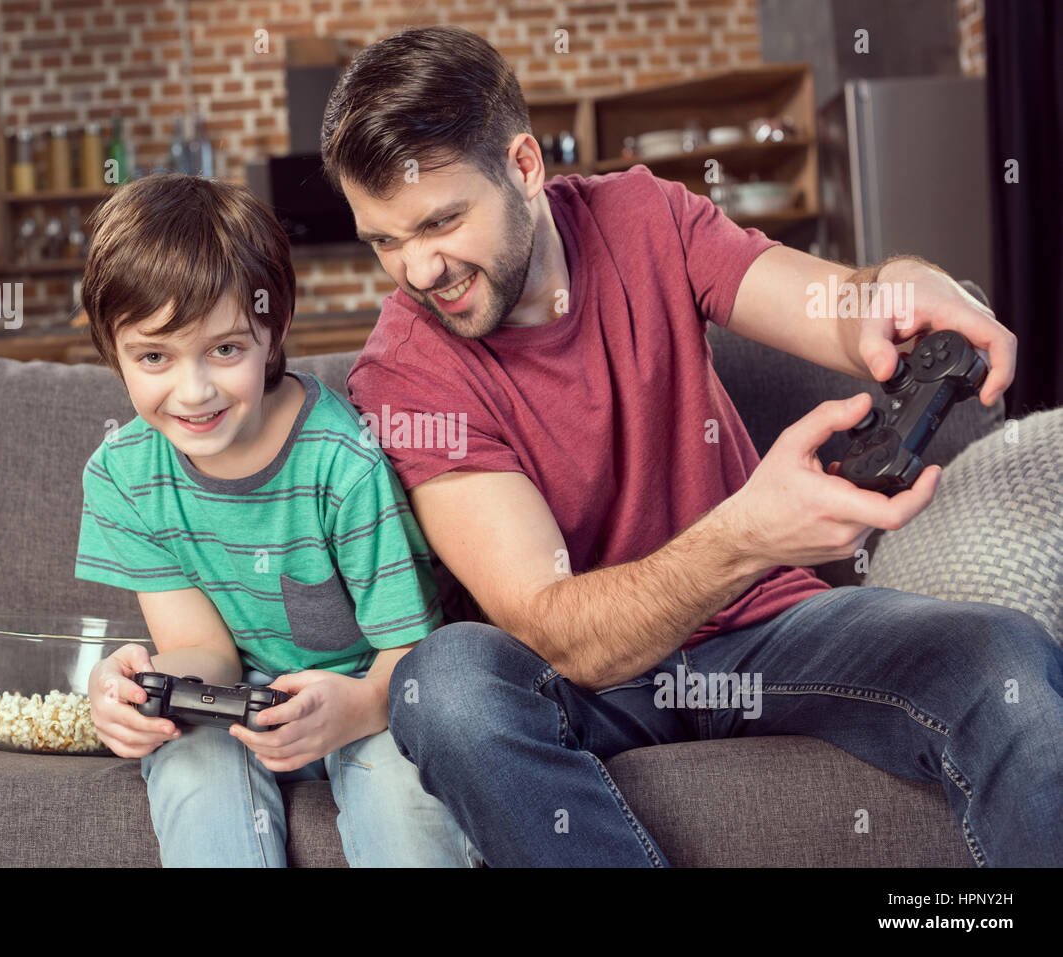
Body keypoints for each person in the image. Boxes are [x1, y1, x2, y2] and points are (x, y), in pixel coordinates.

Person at [320, 25, 1063, 866]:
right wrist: (747, 533)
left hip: (763, 633)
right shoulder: (404, 372)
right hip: (585, 688)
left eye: (441, 221)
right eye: (385, 241)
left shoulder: (640, 215)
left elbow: (835, 304)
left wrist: (894, 295)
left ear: (524, 167)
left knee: (1003, 655)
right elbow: (561, 635)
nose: (419, 271)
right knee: (443, 682)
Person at [72, 173, 479, 868]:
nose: (194, 390)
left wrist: (351, 710)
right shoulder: (122, 475)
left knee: (402, 803)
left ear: (273, 328)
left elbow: (413, 658)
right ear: (114, 352)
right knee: (190, 765)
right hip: (237, 705)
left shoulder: (343, 461)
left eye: (225, 349)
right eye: (153, 357)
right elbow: (207, 653)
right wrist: (133, 686)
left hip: (369, 697)